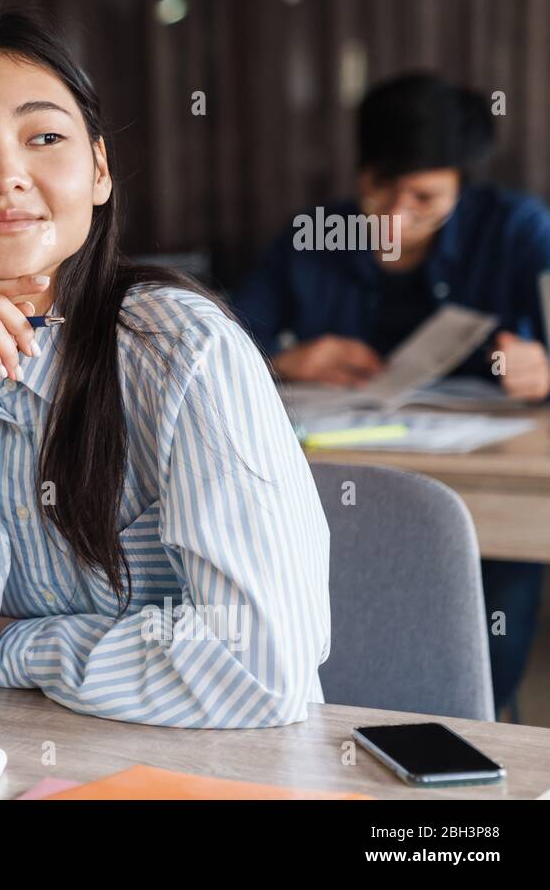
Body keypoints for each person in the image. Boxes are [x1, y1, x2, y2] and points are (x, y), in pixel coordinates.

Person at [0, 7, 331, 727]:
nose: (6, 176)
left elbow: (258, 665)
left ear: (99, 169)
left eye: (44, 137)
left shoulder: (185, 350)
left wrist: (9, 646)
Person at [232, 73, 550, 718]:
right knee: (339, 630)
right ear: (362, 172)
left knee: (489, 642)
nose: (397, 216)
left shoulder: (516, 230)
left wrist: (544, 367)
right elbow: (225, 343)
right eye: (382, 189)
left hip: (489, 469)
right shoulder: (317, 233)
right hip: (341, 466)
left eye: (425, 197)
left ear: (462, 183)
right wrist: (285, 359)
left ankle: (477, 726)